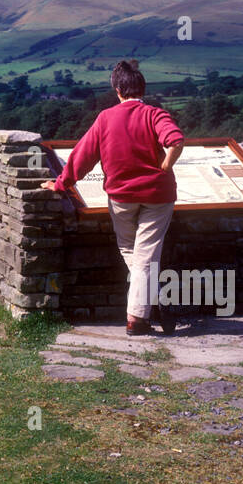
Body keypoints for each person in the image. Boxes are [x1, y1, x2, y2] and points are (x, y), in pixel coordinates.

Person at [41, 59, 184, 336]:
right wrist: (166, 166)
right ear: (142, 88)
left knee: (133, 252)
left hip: (121, 197)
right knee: (146, 255)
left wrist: (60, 185)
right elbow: (176, 141)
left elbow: (81, 158)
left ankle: (136, 318)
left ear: (118, 90)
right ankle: (149, 301)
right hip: (158, 195)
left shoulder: (105, 118)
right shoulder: (155, 114)